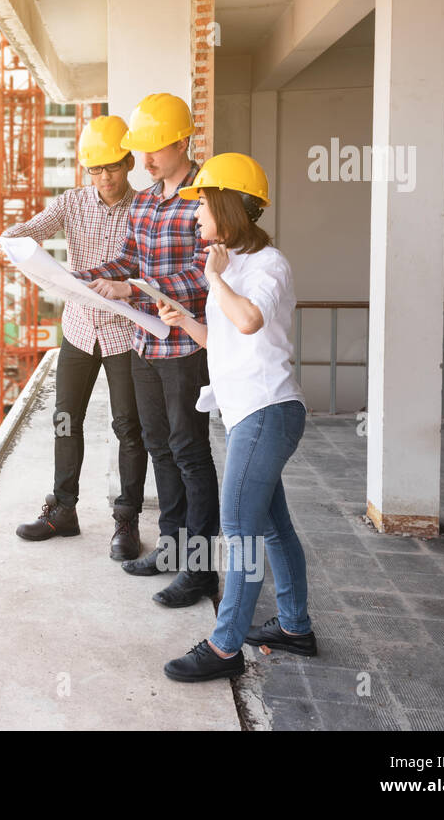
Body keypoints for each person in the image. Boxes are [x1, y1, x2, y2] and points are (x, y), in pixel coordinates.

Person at [150, 153, 313, 682]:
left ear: (229, 206)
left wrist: (215, 281)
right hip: (249, 412)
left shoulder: (268, 264)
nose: (195, 215)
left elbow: (247, 320)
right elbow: (224, 340)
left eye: (202, 205)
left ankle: (224, 648)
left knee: (240, 530)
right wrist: (187, 321)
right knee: (273, 526)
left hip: (268, 410)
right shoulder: (230, 265)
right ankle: (294, 628)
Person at [76, 93, 220, 608]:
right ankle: (172, 546)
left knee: (190, 451)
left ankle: (202, 571)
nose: (146, 160)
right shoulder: (144, 200)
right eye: (142, 151)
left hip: (185, 345)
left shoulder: (207, 197)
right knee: (160, 446)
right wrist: (83, 279)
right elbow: (127, 259)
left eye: (155, 149)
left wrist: (135, 289)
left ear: (183, 141)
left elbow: (206, 274)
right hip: (144, 342)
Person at [0, 114, 149, 561]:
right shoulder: (71, 203)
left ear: (129, 163)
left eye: (112, 167)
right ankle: (63, 509)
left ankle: (127, 519)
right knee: (66, 421)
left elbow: (150, 269)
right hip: (80, 332)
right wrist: (5, 241)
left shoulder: (145, 209)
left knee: (129, 429)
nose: (105, 178)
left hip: (126, 333)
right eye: (96, 170)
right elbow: (30, 230)